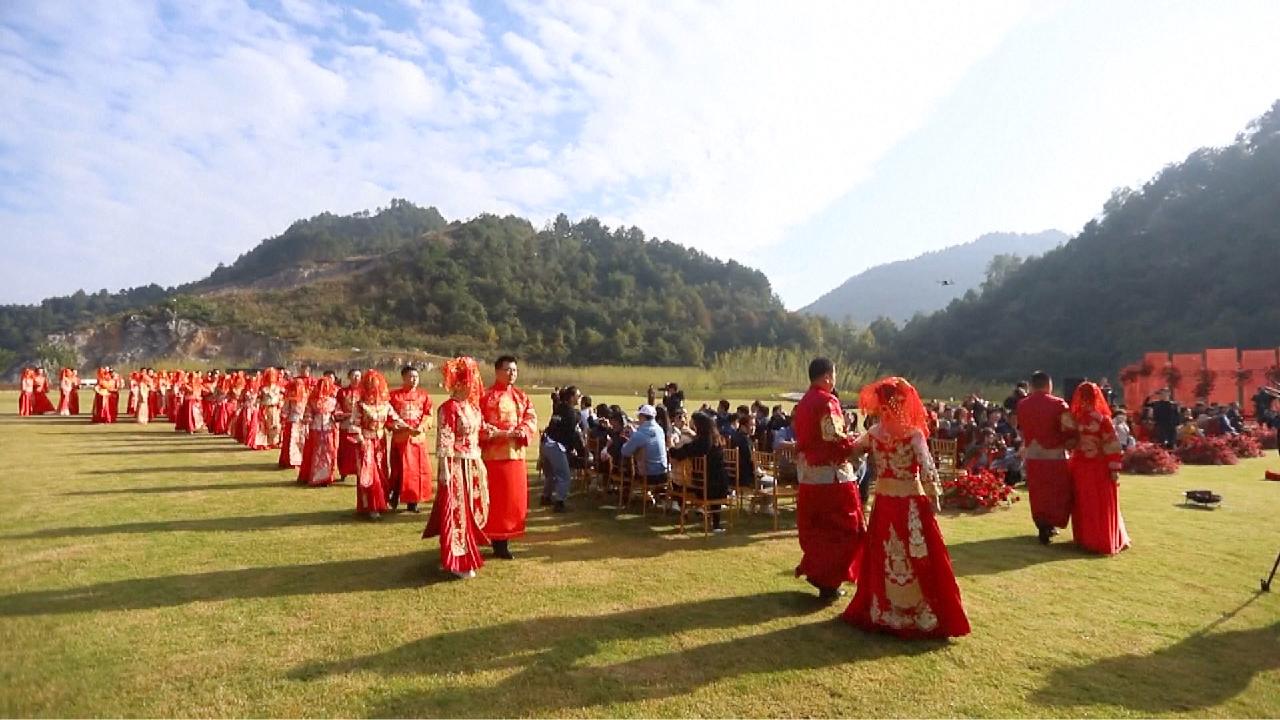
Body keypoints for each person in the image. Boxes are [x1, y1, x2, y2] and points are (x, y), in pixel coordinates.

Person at [842, 376, 970, 639]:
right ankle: (917, 613)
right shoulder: (913, 433)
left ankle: (885, 610)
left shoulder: (874, 433)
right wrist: (935, 497)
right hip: (911, 502)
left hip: (884, 502)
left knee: (884, 553)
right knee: (917, 555)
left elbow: (853, 451)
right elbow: (927, 467)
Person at [792, 357, 864, 602]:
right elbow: (833, 436)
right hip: (832, 478)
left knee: (817, 530)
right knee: (846, 529)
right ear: (827, 376)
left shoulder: (803, 403)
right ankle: (828, 580)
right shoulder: (827, 401)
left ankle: (819, 573)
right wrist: (854, 445)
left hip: (809, 477)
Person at [423, 357, 490, 579]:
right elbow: (445, 440)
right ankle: (457, 559)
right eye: (468, 382)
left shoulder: (471, 407)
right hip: (456, 464)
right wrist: (445, 470)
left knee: (470, 510)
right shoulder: (448, 408)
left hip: (472, 463)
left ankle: (461, 553)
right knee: (456, 510)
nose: (472, 386)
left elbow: (478, 431)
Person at [479, 355, 537, 559]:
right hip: (494, 457)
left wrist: (518, 431)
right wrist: (498, 434)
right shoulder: (485, 397)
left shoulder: (521, 396)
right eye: (507, 370)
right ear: (497, 372)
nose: (512, 374)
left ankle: (506, 538)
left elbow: (530, 419)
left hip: (515, 456)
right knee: (496, 500)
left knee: (514, 500)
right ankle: (497, 540)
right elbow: (479, 424)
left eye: (514, 370)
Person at [1067, 382, 1130, 555]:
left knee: (1083, 503)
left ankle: (1084, 538)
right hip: (1099, 466)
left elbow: (1069, 442)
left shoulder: (1074, 419)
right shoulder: (1102, 420)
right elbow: (1112, 444)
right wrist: (1114, 468)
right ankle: (1101, 539)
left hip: (1079, 465)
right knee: (1101, 504)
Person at [1019, 371, 1077, 545]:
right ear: (1048, 385)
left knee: (1038, 492)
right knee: (1057, 491)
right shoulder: (1059, 404)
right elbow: (1069, 428)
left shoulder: (1022, 404)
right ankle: (1051, 523)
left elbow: (1022, 427)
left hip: (1033, 453)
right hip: (1054, 454)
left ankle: (1041, 524)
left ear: (1032, 385)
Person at [353, 370, 405, 520]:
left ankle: (381, 502)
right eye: (369, 386)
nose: (372, 389)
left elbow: (396, 419)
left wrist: (406, 427)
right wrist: (361, 439)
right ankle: (371, 506)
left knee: (382, 472)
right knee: (369, 474)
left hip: (381, 442)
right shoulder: (360, 405)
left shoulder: (385, 405)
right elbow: (354, 424)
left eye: (375, 386)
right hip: (366, 442)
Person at [669, 411, 730, 532]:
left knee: (676, 481)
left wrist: (671, 444)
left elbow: (678, 454)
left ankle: (683, 510)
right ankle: (715, 523)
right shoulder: (716, 439)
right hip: (721, 485)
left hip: (703, 487)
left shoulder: (701, 442)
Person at [388, 365, 434, 512]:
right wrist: (393, 425)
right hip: (401, 438)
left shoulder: (423, 396)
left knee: (417, 471)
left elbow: (428, 415)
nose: (414, 380)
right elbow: (387, 415)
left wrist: (421, 427)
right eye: (410, 377)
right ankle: (394, 495)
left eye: (416, 377)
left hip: (417, 439)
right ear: (403, 377)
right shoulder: (394, 396)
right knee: (399, 469)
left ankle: (413, 501)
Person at [541, 386, 586, 512]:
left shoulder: (559, 408)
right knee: (564, 476)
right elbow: (572, 434)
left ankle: (546, 497)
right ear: (572, 398)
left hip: (546, 443)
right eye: (578, 395)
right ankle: (559, 502)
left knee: (550, 475)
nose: (579, 398)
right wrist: (576, 450)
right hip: (556, 446)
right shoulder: (571, 413)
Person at [621, 404, 670, 500]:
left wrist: (628, 440)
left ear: (642, 416)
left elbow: (625, 452)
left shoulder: (640, 434)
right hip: (663, 473)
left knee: (629, 464)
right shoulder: (659, 430)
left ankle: (628, 493)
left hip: (648, 475)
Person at [297, 377, 340, 487]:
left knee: (328, 453)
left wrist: (338, 417)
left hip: (329, 429)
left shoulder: (333, 401)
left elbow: (337, 413)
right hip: (315, 429)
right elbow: (308, 414)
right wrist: (307, 422)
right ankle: (315, 476)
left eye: (326, 386)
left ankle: (326, 477)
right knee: (315, 453)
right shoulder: (312, 401)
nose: (323, 388)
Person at [334, 369, 363, 482]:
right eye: (354, 376)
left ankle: (360, 471)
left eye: (358, 376)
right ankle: (343, 472)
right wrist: (344, 415)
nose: (356, 378)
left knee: (359, 449)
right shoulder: (342, 392)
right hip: (346, 423)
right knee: (345, 449)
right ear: (349, 377)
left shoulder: (364, 392)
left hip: (360, 424)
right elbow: (337, 407)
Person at [278, 377, 309, 469]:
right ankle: (291, 460)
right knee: (292, 441)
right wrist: (283, 417)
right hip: (292, 421)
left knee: (301, 440)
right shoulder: (291, 397)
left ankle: (300, 459)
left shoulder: (306, 396)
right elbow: (285, 409)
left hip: (302, 421)